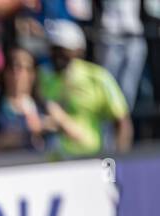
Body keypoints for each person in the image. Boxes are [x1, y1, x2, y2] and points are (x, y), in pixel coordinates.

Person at [40, 19, 132, 158]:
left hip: (89, 161)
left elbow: (122, 121)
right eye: (53, 50)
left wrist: (119, 160)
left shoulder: (97, 77)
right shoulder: (43, 78)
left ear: (78, 50)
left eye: (63, 50)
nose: (57, 56)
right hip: (49, 162)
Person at [0, 45, 48, 153]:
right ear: (5, 72)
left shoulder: (44, 108)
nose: (20, 73)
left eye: (27, 68)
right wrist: (24, 133)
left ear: (33, 75)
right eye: (16, 67)